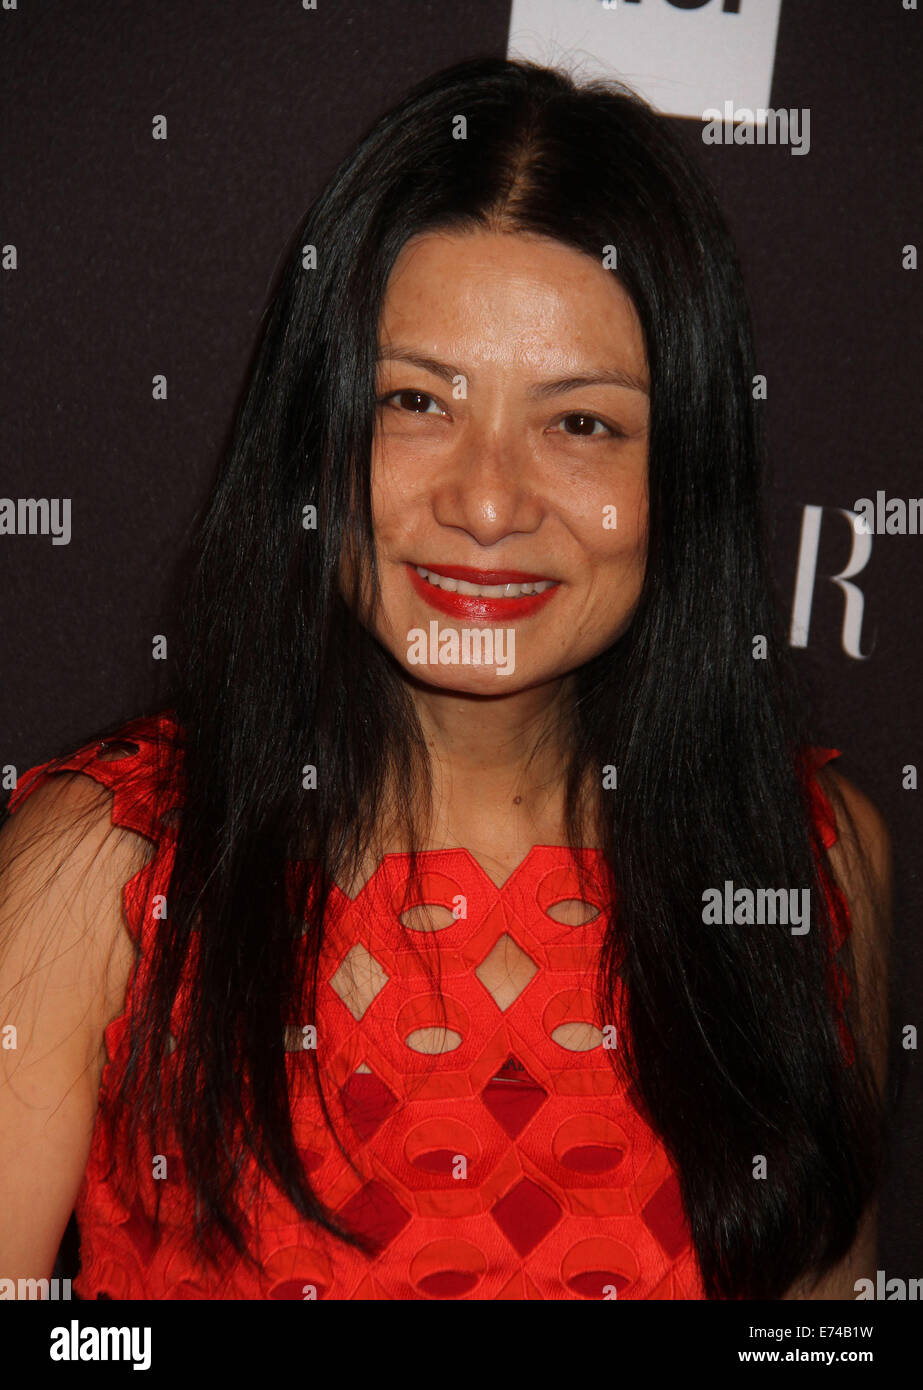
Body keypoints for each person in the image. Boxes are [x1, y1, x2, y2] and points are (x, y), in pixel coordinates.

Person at [0, 55, 891, 1301]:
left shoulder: (809, 864)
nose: (484, 502)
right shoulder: (102, 872)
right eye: (415, 401)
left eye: (580, 422)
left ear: (679, 476)